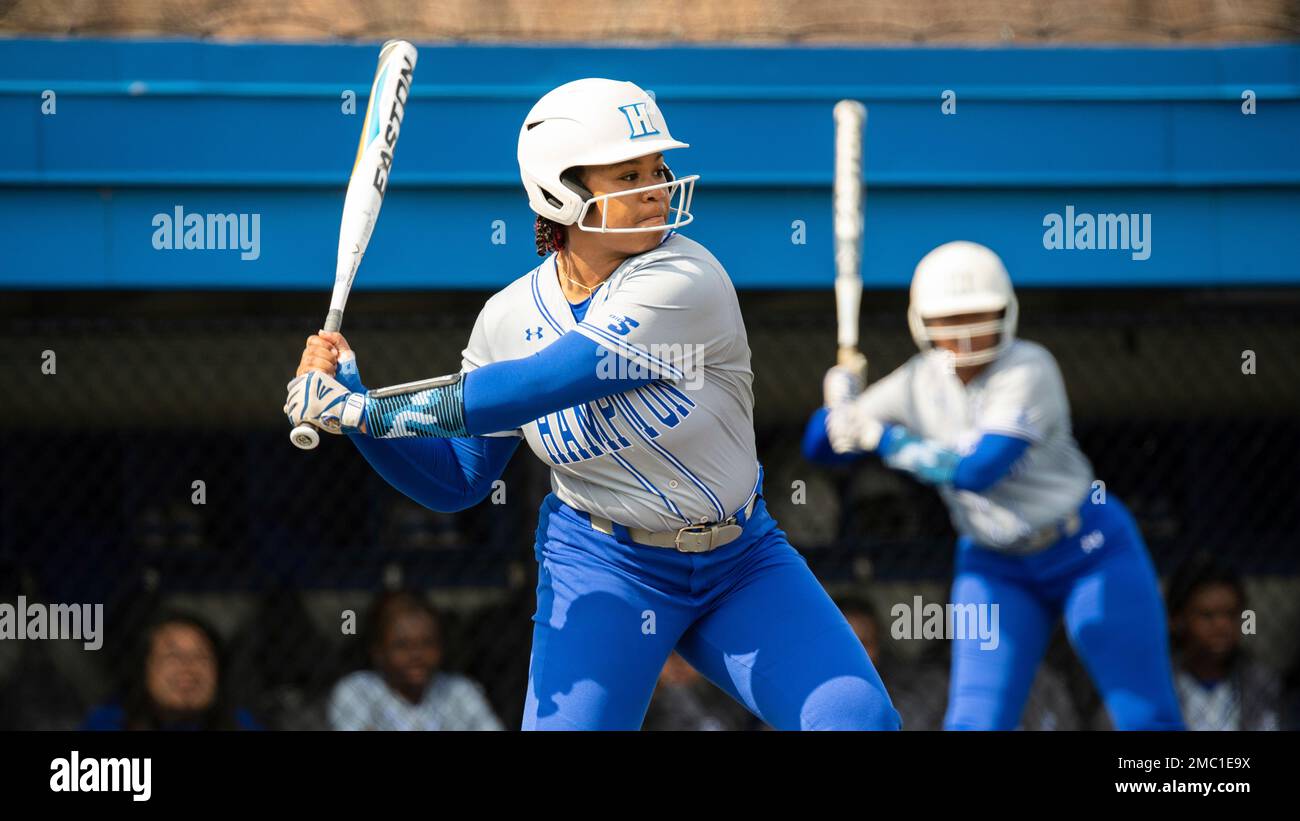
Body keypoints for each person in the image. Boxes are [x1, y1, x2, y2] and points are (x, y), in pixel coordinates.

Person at [285, 78, 899, 731]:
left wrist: (368, 410)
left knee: (856, 718)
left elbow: (545, 383)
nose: (657, 186)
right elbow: (457, 479)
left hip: (739, 559)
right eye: (628, 174)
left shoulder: (686, 278)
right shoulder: (507, 317)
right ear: (561, 191)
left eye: (658, 168)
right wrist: (353, 408)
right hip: (604, 563)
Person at [804, 241, 1183, 730]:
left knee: (1143, 714)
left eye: (980, 315)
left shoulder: (1030, 368)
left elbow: (978, 470)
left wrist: (881, 436)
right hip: (995, 562)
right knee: (976, 720)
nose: (965, 336)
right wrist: (838, 406)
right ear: (924, 323)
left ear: (1007, 311)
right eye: (950, 319)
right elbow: (821, 449)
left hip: (1088, 548)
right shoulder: (918, 381)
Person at [328, 591, 502, 731]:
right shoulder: (357, 691)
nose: (416, 655)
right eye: (402, 645)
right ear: (378, 652)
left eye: (427, 643)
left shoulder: (460, 691)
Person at [83, 611, 260, 731]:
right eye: (172, 656)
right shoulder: (109, 722)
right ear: (144, 669)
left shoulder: (240, 723)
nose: (188, 667)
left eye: (201, 656)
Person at [1164, 554, 1280, 731]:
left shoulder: (1259, 682)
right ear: (1177, 620)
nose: (1222, 626)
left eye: (1231, 614)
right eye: (1207, 616)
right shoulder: (1161, 682)